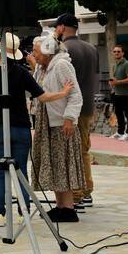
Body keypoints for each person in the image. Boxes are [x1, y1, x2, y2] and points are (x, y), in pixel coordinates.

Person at [0, 34, 74, 224]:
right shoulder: (22, 73)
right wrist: (63, 93)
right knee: (21, 171)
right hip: (20, 127)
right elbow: (42, 97)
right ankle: (22, 212)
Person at [29, 33, 86, 223]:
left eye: (36, 51)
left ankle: (68, 208)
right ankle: (60, 206)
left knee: (63, 162)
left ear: (47, 50)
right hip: (47, 121)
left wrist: (69, 118)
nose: (34, 54)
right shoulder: (43, 68)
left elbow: (75, 95)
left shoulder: (61, 65)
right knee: (54, 163)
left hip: (61, 121)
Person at [54, 12, 98, 211]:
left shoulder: (65, 49)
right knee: (84, 150)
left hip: (72, 108)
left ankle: (78, 194)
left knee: (73, 152)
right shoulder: (91, 48)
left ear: (61, 27)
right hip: (89, 105)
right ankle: (87, 189)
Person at [108, 44, 128, 140]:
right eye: (115, 51)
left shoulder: (127, 64)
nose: (116, 53)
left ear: (123, 53)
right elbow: (116, 79)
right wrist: (112, 85)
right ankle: (120, 132)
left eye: (118, 51)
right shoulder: (115, 65)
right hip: (117, 94)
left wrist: (117, 82)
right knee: (118, 113)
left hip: (127, 94)